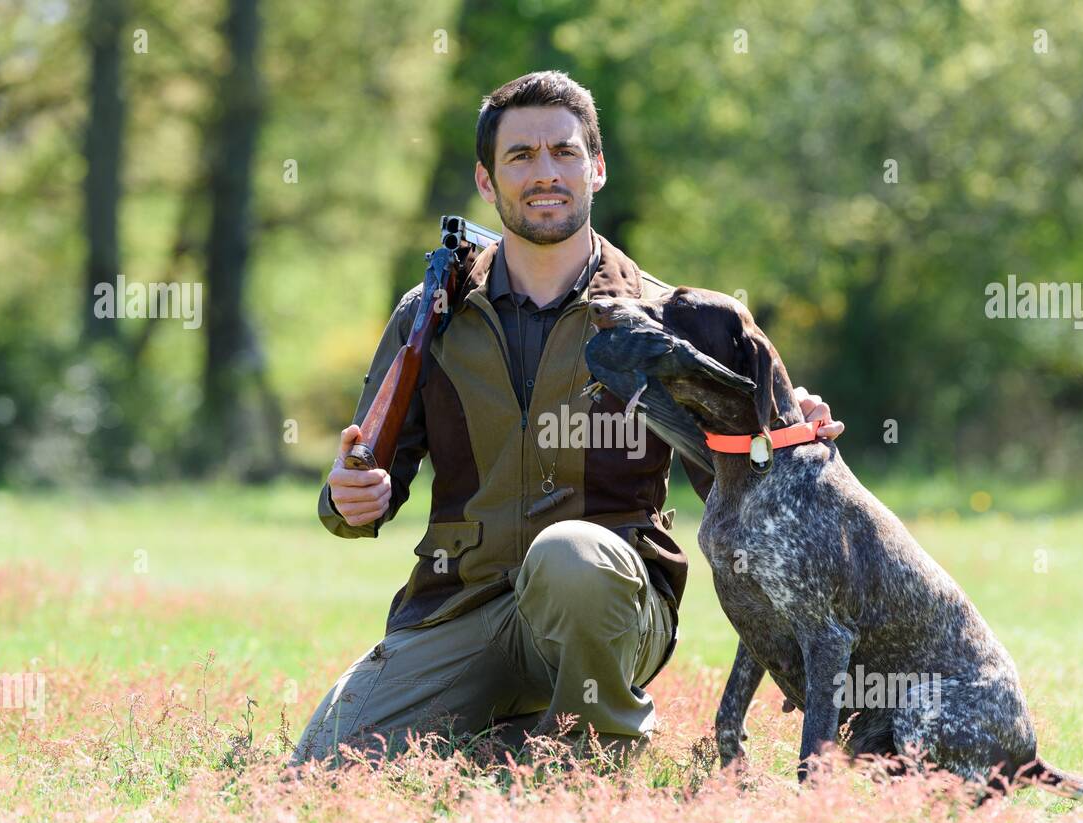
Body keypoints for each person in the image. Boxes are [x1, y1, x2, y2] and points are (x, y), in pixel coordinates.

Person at [290, 70, 844, 769]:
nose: (544, 173)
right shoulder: (430, 314)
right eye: (520, 156)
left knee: (570, 556)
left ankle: (598, 750)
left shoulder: (673, 322)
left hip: (607, 602)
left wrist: (793, 442)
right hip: (460, 606)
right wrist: (347, 496)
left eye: (564, 152)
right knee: (324, 766)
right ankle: (514, 745)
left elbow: (763, 491)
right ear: (487, 182)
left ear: (598, 168)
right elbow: (365, 487)